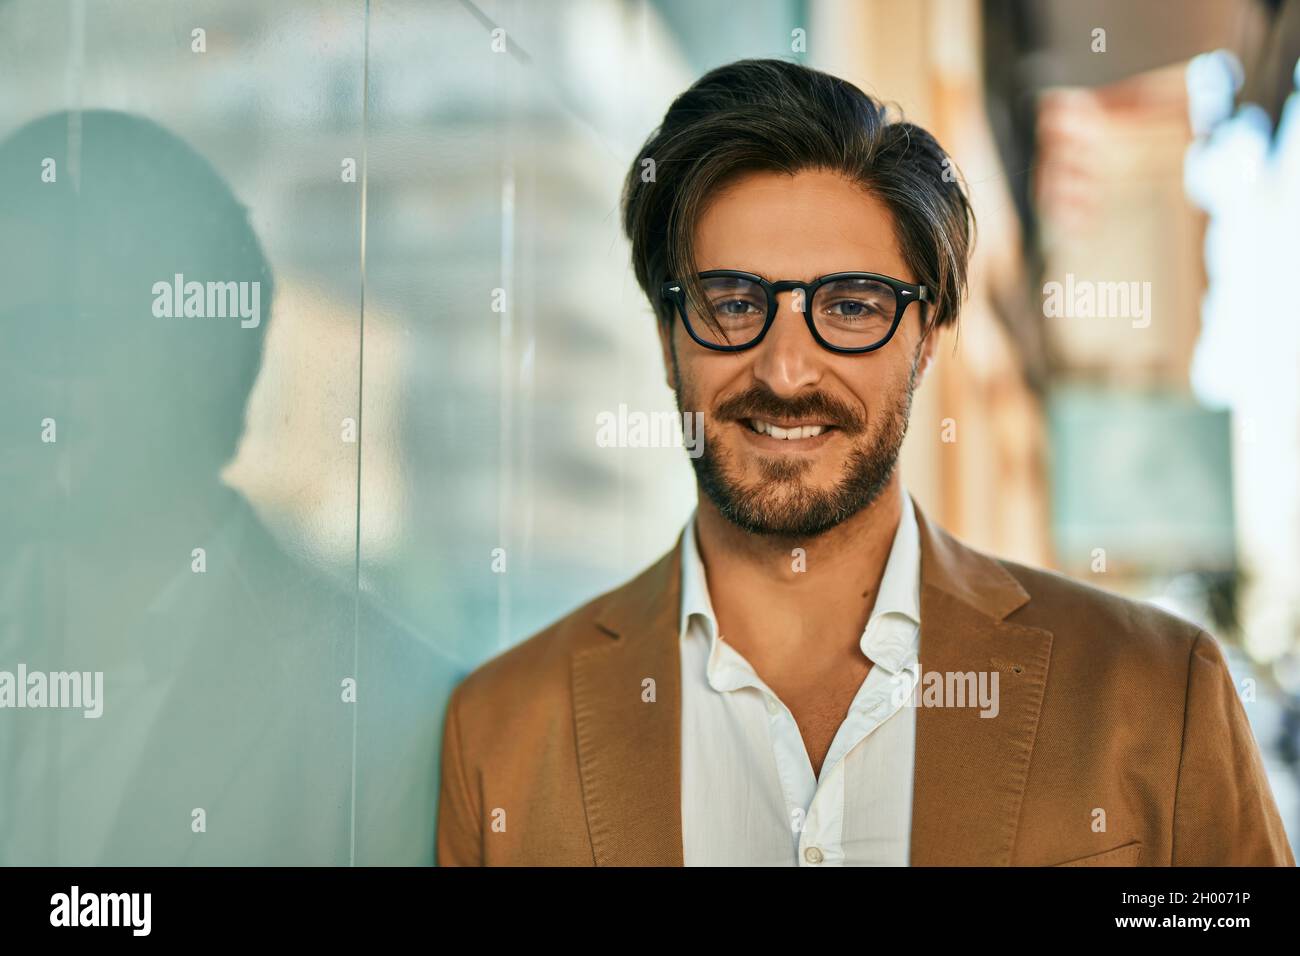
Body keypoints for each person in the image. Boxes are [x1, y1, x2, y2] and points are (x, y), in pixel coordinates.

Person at [435, 59, 1294, 866]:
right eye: (733, 303)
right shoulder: (503, 733)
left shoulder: (1156, 695)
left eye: (850, 306)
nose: (785, 369)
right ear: (667, 342)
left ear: (924, 345)